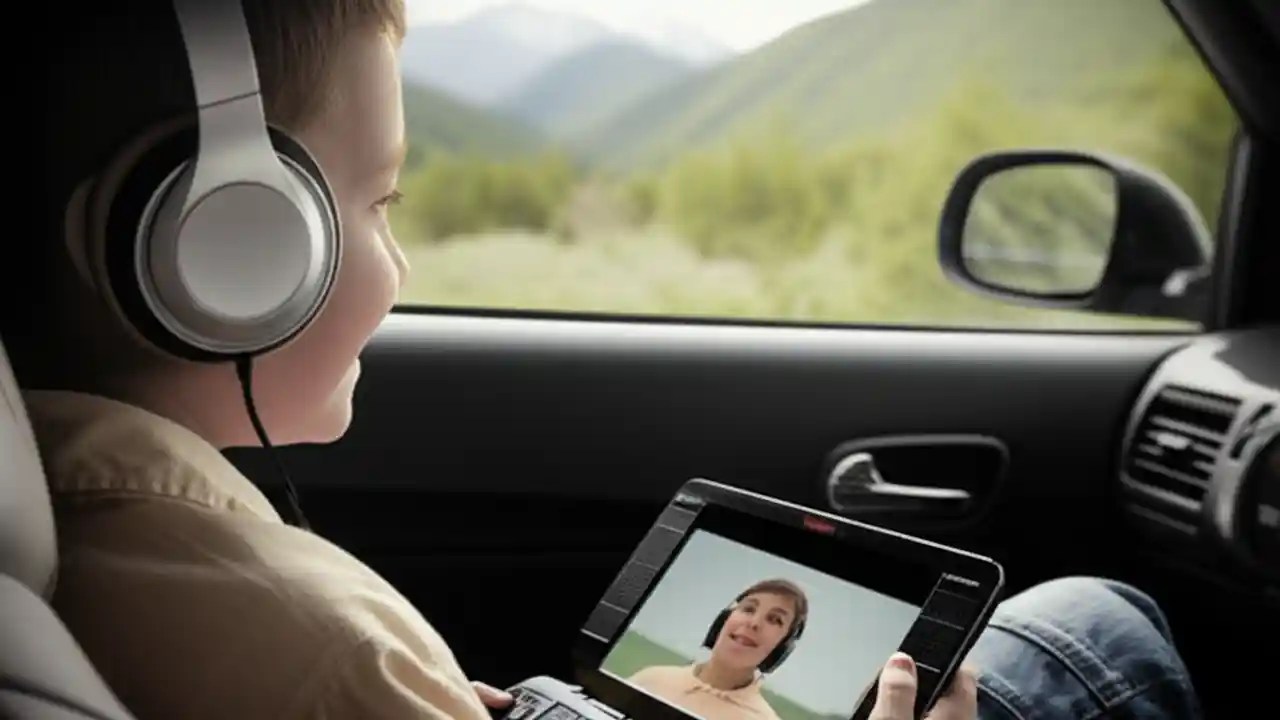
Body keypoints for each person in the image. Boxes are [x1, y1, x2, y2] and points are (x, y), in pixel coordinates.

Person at [7, 1, 1204, 719]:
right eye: (374, 205)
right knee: (1098, 625)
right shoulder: (326, 648)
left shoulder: (87, 523)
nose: (400, 266)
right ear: (221, 254)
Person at [627, 578, 809, 720]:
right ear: (723, 620)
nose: (754, 623)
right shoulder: (651, 680)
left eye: (774, 620)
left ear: (782, 647)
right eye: (748, 609)